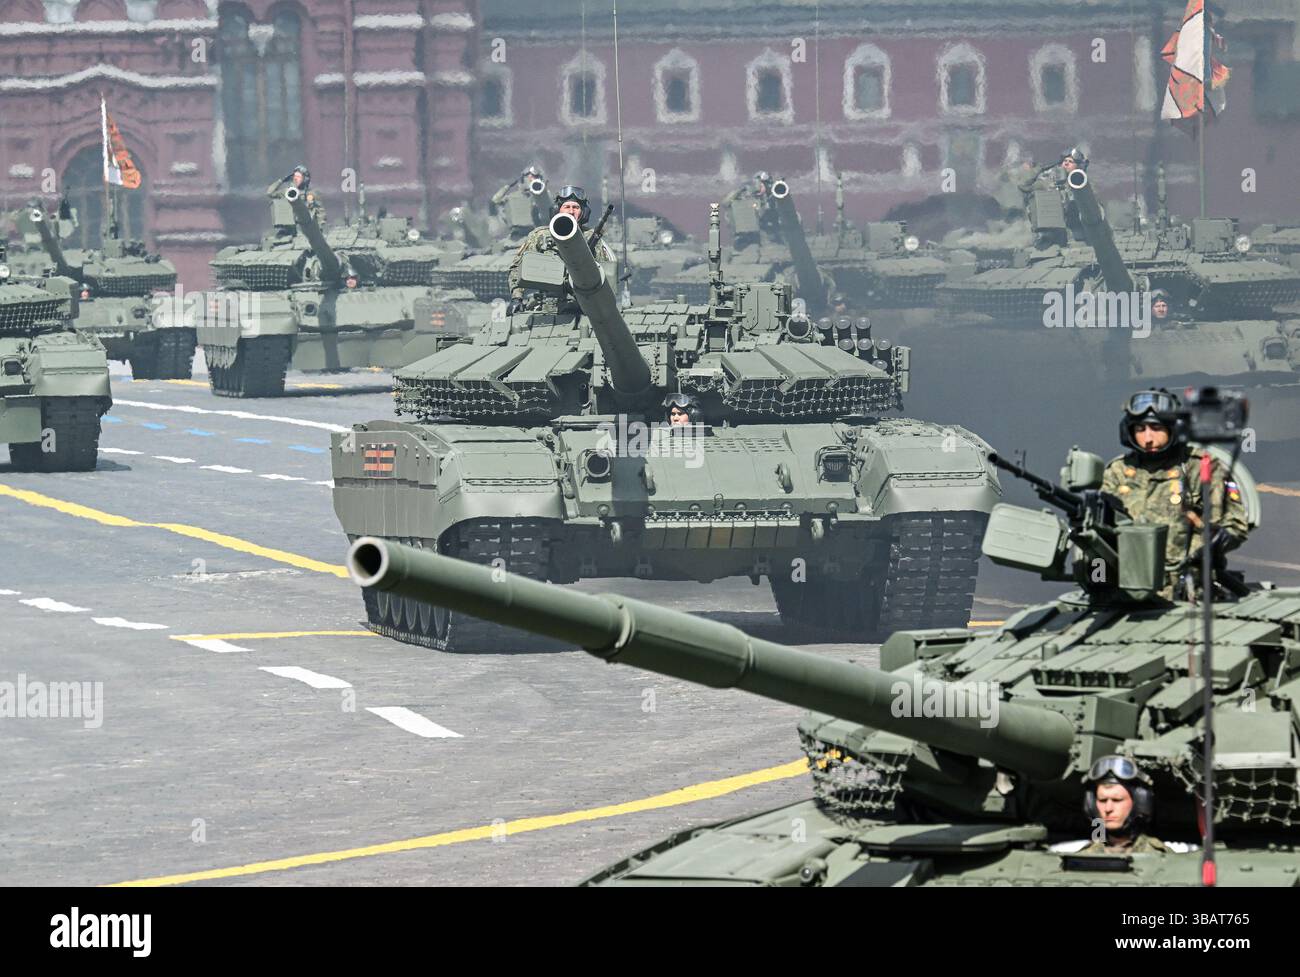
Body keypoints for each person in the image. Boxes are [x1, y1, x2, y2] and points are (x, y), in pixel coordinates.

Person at [1100, 388, 1250, 598]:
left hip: (1188, 592)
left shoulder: (1200, 467)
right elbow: (1101, 531)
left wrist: (1209, 547)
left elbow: (1235, 525)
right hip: (1129, 589)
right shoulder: (1118, 472)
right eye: (1140, 429)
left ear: (1174, 429)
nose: (1148, 438)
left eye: (1156, 428)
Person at [506, 185, 614, 313]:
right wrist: (516, 298)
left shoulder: (592, 237)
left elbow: (606, 274)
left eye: (576, 207)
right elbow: (517, 267)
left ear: (583, 212)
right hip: (546, 306)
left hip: (583, 306)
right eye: (566, 207)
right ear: (558, 210)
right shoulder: (540, 236)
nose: (571, 211)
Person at [1079, 755, 1167, 854]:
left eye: (1117, 800)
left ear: (1139, 803)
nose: (1108, 809)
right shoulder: (1080, 858)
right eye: (1103, 800)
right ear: (1091, 805)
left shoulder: (1164, 857)